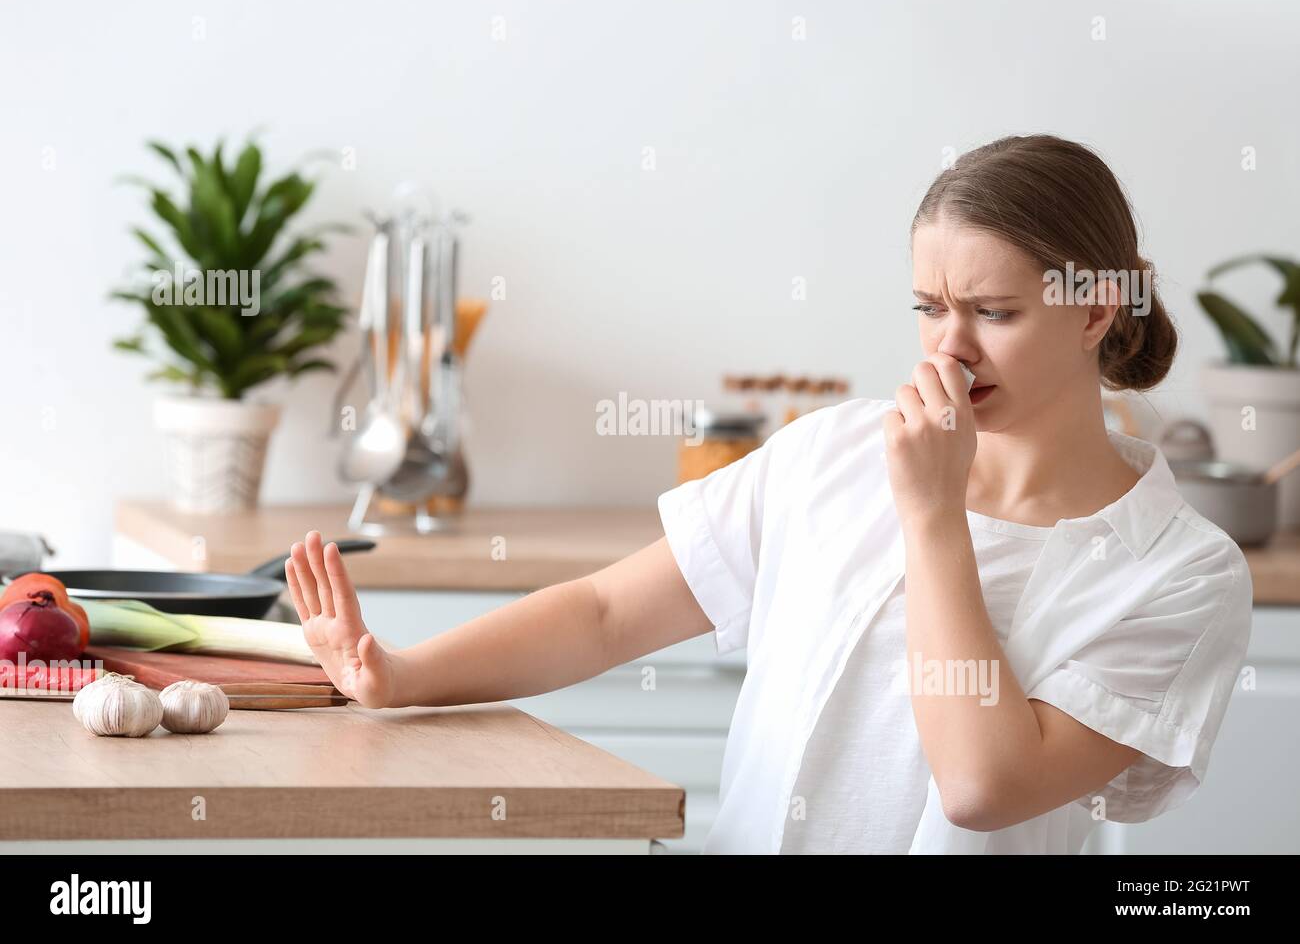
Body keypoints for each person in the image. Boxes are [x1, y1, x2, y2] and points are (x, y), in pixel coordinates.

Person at [285, 134, 1253, 854]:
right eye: (927, 308)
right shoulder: (832, 450)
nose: (947, 347)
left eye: (993, 313)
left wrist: (930, 516)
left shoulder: (1177, 572)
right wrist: (398, 675)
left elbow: (982, 783)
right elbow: (605, 609)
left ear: (1095, 305)